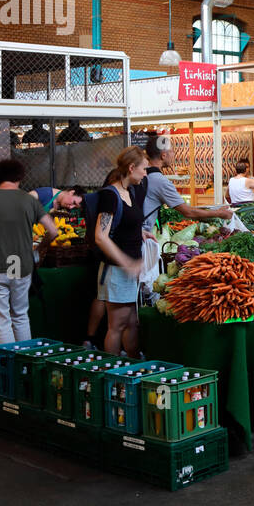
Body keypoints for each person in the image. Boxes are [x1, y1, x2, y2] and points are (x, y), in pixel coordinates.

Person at [0, 159, 58, 345]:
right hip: (18, 264)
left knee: (1, 321)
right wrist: (39, 248)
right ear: (20, 177)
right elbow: (53, 231)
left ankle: (9, 367)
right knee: (20, 315)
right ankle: (24, 366)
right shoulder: (29, 199)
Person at [94, 147, 149, 357]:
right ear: (131, 167)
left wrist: (141, 233)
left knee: (131, 322)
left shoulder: (130, 192)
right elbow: (101, 236)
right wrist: (126, 262)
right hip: (117, 271)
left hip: (127, 271)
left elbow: (126, 224)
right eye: (143, 168)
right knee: (117, 325)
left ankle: (132, 365)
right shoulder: (110, 195)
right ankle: (114, 374)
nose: (145, 173)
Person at [141, 133, 234, 233]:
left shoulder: (141, 174)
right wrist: (218, 213)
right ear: (163, 155)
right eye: (172, 151)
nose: (173, 154)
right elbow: (188, 212)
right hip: (141, 234)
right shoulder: (160, 181)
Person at [80, 170, 122, 350]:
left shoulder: (102, 197)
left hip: (101, 254)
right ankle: (90, 341)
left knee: (102, 296)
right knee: (102, 296)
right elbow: (102, 235)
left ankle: (92, 340)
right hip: (106, 255)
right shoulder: (109, 197)